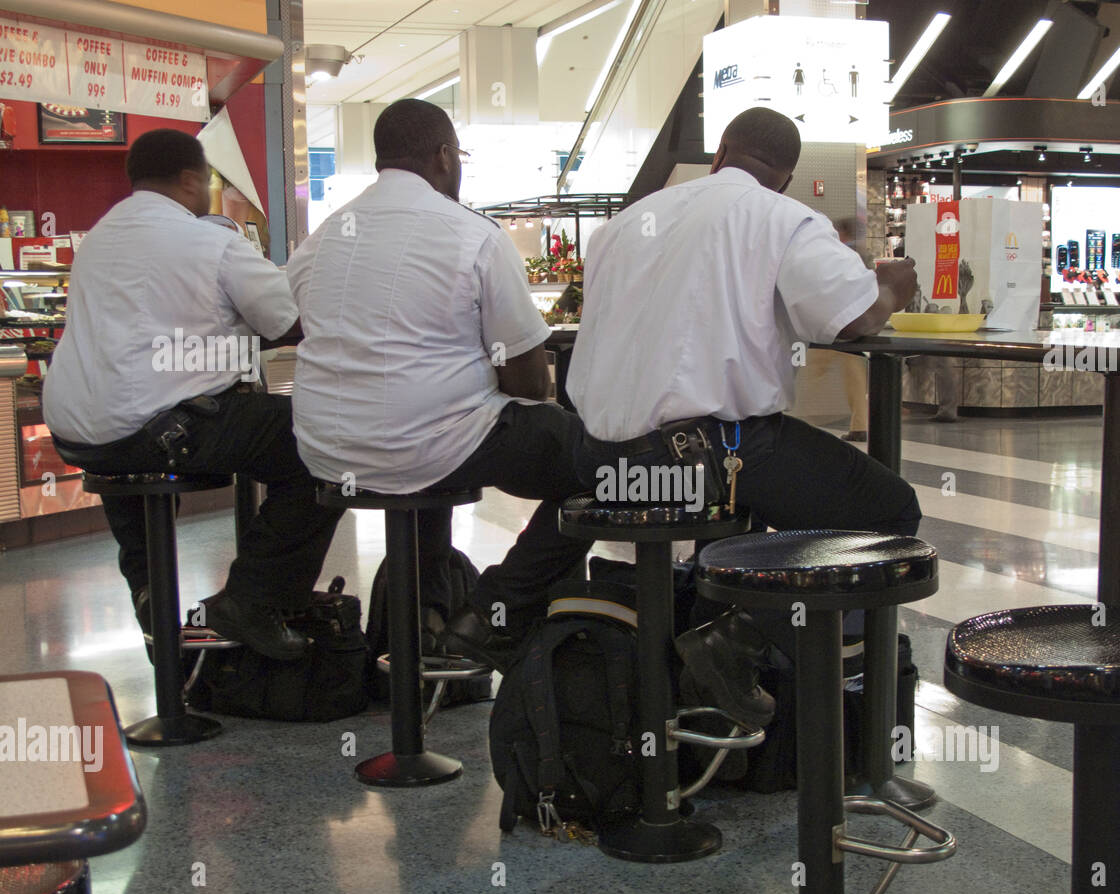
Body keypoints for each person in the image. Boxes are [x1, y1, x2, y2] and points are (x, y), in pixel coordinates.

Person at [567, 106, 921, 725]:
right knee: (886, 508)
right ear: (786, 177)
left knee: (754, 495)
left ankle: (726, 649)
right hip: (700, 457)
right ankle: (749, 646)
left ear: (720, 153)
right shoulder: (782, 217)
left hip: (600, 458)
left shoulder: (625, 224)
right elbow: (852, 317)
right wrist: (892, 285)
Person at [286, 99, 591, 672]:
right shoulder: (472, 234)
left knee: (437, 427)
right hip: (427, 446)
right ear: (446, 155)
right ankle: (491, 615)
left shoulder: (321, 238)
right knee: (600, 465)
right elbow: (529, 383)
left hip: (325, 452)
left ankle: (424, 619)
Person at [44, 129, 342, 660]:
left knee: (124, 433)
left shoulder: (99, 237)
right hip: (159, 429)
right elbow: (290, 320)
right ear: (190, 179)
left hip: (75, 434)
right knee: (325, 442)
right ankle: (255, 597)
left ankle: (148, 591)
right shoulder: (211, 239)